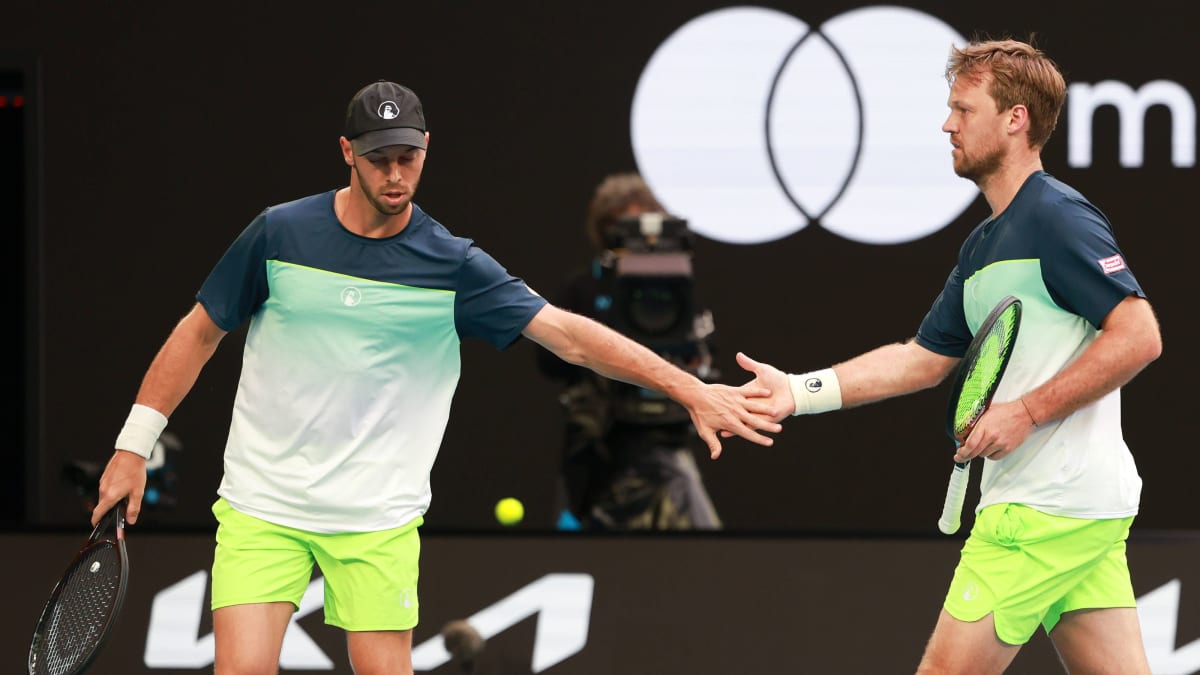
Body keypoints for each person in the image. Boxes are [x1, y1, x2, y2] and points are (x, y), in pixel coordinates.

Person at [89, 80, 780, 675]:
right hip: (263, 503)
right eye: (379, 159)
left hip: (377, 517)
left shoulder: (452, 265)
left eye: (408, 158)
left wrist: (690, 387)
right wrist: (132, 446)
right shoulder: (277, 234)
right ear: (347, 152)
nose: (395, 175)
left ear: (425, 148)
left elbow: (570, 337)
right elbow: (199, 331)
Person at [735, 39, 1161, 674]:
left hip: (1042, 510)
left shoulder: (1058, 218)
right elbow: (922, 359)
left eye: (963, 109)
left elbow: (1138, 334)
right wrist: (800, 391)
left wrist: (1027, 412)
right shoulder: (982, 245)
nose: (947, 125)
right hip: (1081, 506)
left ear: (1015, 119)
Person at [536, 172, 722, 530]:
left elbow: (705, 353)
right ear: (606, 231)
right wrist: (598, 353)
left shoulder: (676, 287)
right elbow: (548, 361)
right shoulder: (582, 288)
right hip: (597, 444)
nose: (640, 239)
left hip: (667, 439)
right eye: (626, 227)